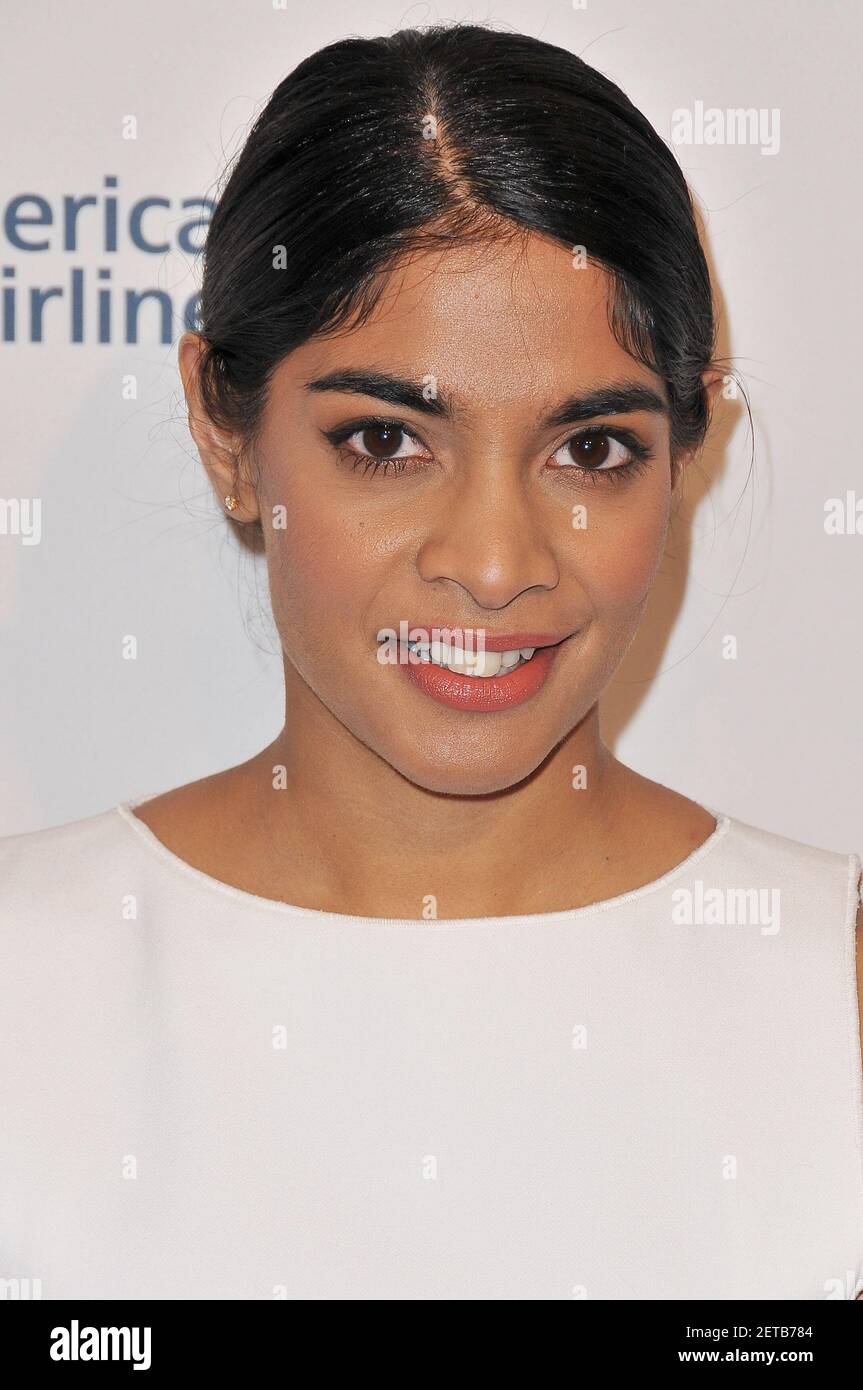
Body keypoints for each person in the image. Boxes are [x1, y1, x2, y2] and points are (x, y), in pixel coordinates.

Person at [1, 21, 861, 1301]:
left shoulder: (830, 982)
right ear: (223, 431)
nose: (496, 559)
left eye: (591, 450)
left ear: (684, 451)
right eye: (386, 441)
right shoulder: (29, 969)